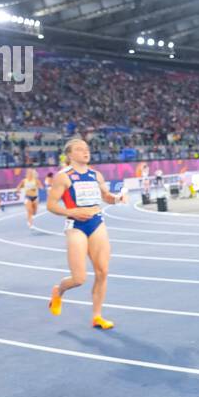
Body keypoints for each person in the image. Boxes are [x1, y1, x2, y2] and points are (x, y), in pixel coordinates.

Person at [46, 137, 126, 330]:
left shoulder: (95, 175)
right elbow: (51, 205)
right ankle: (59, 290)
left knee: (102, 271)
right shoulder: (63, 176)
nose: (85, 151)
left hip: (97, 222)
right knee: (79, 278)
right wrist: (70, 212)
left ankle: (97, 316)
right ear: (70, 154)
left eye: (87, 148)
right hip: (76, 225)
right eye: (80, 149)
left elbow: (106, 197)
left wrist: (117, 199)